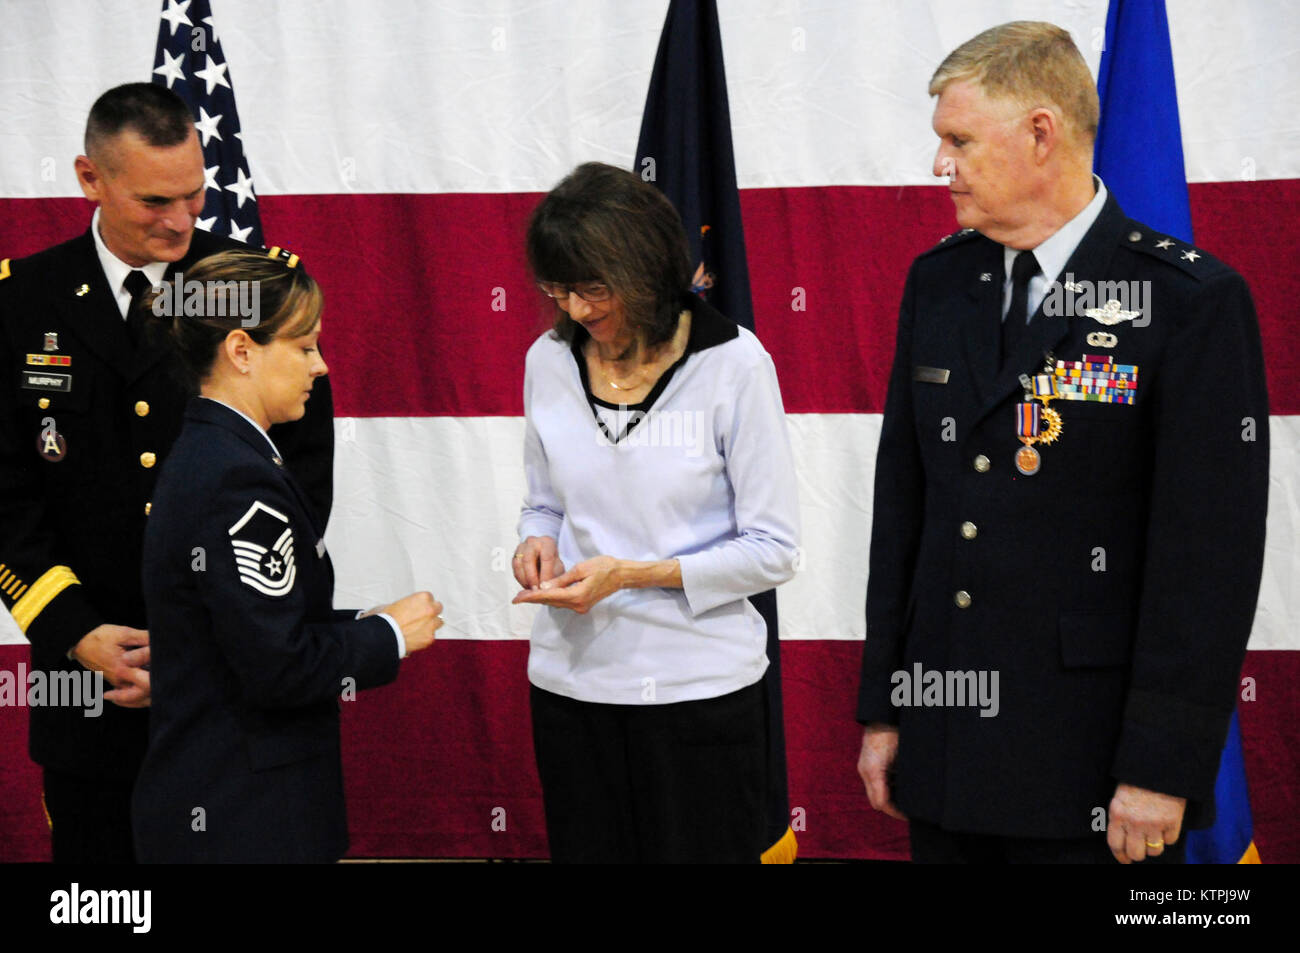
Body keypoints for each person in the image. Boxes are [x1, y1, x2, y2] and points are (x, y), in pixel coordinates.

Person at [856, 21, 1269, 864]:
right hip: (945, 743)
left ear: (1041, 133)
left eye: (959, 139)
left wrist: (1162, 766)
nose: (941, 165)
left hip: (1090, 765)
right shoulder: (937, 281)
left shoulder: (1187, 301)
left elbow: (1207, 565)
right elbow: (904, 512)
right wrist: (886, 708)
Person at [0, 83, 334, 863]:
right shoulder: (21, 303)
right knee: (102, 900)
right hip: (86, 682)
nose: (182, 221)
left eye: (195, 194)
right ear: (90, 178)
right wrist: (73, 630)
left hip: (227, 683)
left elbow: (298, 486)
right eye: (156, 200)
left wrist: (200, 649)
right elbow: (6, 498)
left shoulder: (256, 286)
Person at [512, 162, 800, 863]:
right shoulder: (546, 361)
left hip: (699, 697)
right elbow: (544, 499)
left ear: (643, 267)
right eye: (558, 289)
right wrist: (535, 541)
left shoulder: (736, 365)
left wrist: (633, 573)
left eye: (592, 287)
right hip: (571, 689)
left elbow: (773, 549)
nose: (575, 309)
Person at [129, 249, 441, 863]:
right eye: (304, 347)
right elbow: (278, 668)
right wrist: (388, 636)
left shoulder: (222, 453)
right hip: (245, 817)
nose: (320, 366)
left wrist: (352, 624)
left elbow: (247, 627)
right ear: (242, 351)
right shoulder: (236, 479)